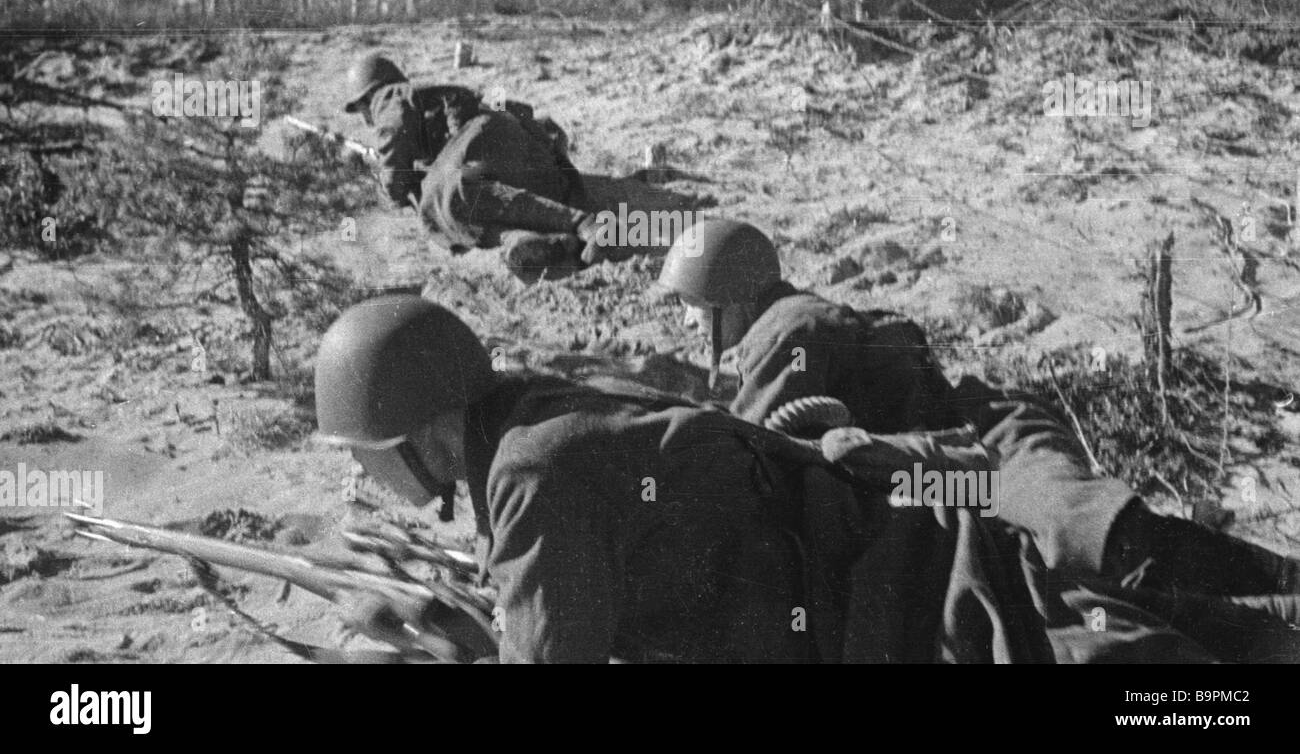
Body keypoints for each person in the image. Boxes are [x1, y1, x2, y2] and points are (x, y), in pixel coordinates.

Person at [314, 294, 1078, 663]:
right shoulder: (529, 414)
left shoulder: (530, 475)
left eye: (363, 449)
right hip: (884, 555)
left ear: (415, 429)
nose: (359, 468)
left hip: (901, 608)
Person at [657, 218, 1300, 601]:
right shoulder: (783, 323)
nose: (686, 321)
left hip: (991, 441)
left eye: (691, 305)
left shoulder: (786, 331)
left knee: (1097, 537)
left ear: (728, 298)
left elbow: (751, 449)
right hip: (948, 454)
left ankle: (1280, 583)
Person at [342, 52, 602, 280]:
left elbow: (394, 135)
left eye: (362, 110)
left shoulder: (390, 95)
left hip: (498, 142)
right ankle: (525, 239)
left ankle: (583, 223)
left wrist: (388, 179)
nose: (367, 120)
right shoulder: (424, 108)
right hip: (525, 163)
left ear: (369, 97)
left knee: (445, 195)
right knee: (452, 209)